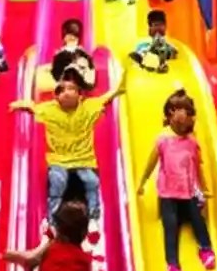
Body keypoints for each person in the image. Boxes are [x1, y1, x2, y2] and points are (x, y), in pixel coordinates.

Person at [10, 67, 128, 242]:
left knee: (91, 181)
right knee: (58, 181)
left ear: (80, 95)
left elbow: (109, 96)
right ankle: (51, 221)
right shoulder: (49, 109)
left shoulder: (89, 106)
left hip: (84, 159)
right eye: (63, 91)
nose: (67, 94)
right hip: (59, 160)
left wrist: (121, 83)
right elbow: (32, 107)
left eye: (72, 90)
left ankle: (93, 219)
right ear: (56, 96)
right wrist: (18, 105)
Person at [136, 89, 215, 271]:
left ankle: (205, 248)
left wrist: (204, 188)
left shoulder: (192, 142)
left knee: (198, 219)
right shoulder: (163, 140)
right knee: (171, 227)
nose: (182, 115)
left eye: (186, 111)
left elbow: (197, 167)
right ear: (169, 114)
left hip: (187, 191)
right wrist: (142, 182)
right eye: (177, 110)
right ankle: (173, 265)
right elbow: (151, 162)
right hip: (168, 193)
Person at [49, 18, 96, 91]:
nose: (71, 38)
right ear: (64, 38)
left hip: (81, 87)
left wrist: (81, 69)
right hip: (64, 87)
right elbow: (56, 76)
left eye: (74, 37)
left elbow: (90, 76)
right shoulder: (59, 56)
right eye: (69, 36)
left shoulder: (83, 54)